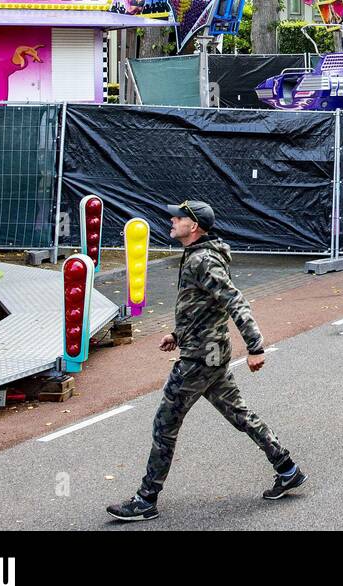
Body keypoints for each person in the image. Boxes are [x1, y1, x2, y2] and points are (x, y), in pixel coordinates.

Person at [107, 200, 305, 522]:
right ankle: (287, 469)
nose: (172, 220)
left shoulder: (203, 260)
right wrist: (178, 333)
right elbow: (203, 305)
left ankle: (146, 500)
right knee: (240, 415)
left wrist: (255, 346)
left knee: (164, 425)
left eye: (179, 217)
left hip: (199, 360)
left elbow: (234, 301)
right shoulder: (197, 255)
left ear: (194, 226)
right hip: (208, 353)